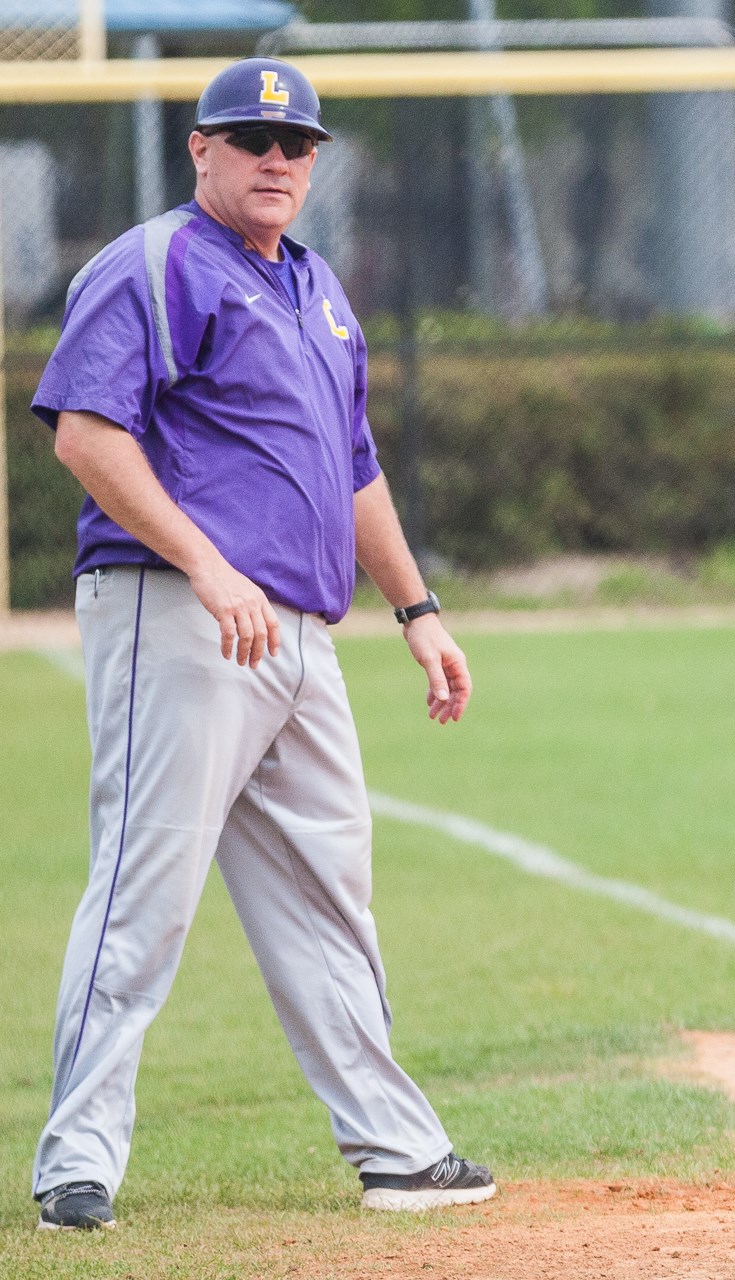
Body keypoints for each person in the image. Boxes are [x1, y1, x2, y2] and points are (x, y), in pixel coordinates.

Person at [29, 57, 494, 1230]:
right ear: (202, 149)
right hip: (179, 611)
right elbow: (86, 435)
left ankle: (395, 1146)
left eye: (295, 146)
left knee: (332, 892)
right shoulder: (154, 263)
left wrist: (418, 607)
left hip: (301, 632)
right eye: (251, 140)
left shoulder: (320, 287)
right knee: (147, 887)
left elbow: (354, 467)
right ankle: (74, 1165)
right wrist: (204, 560)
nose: (276, 160)